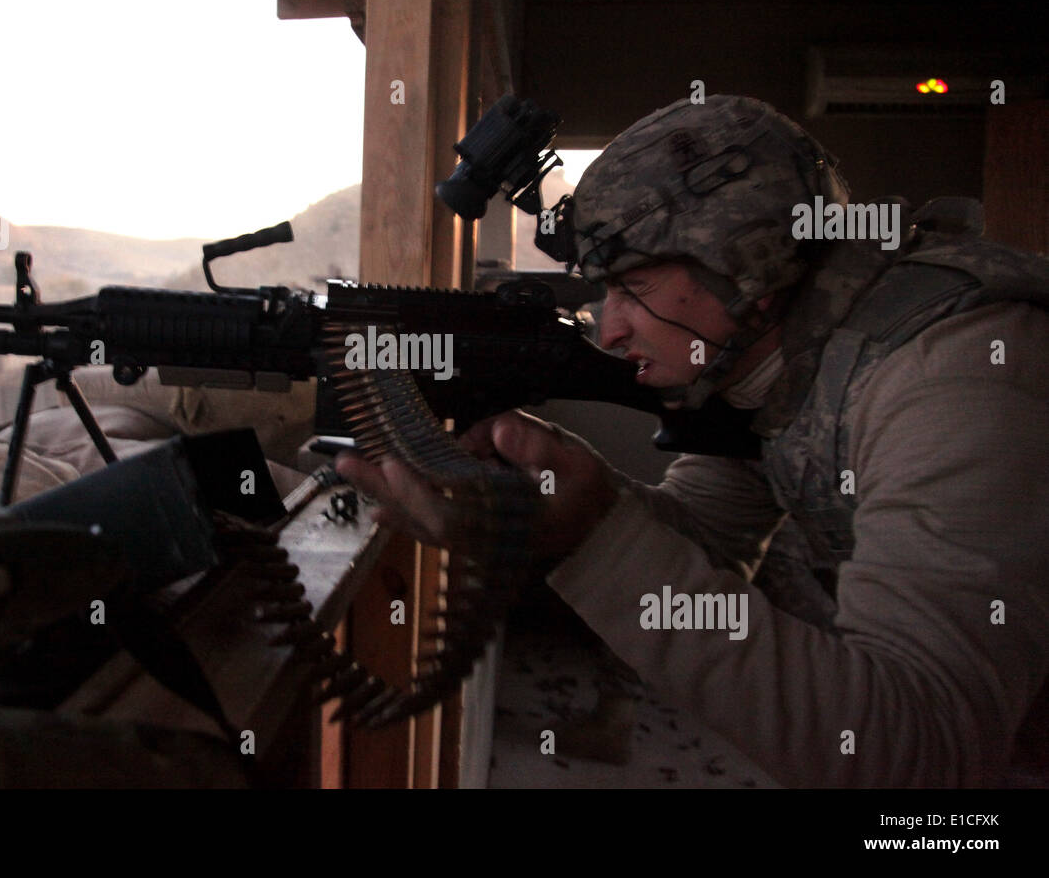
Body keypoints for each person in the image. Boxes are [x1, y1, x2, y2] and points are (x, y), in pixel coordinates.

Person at [337, 94, 1049, 787]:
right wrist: (568, 496)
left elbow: (922, 752)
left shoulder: (958, 376)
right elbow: (705, 537)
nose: (610, 330)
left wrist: (586, 537)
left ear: (748, 261)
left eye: (634, 283)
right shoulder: (775, 364)